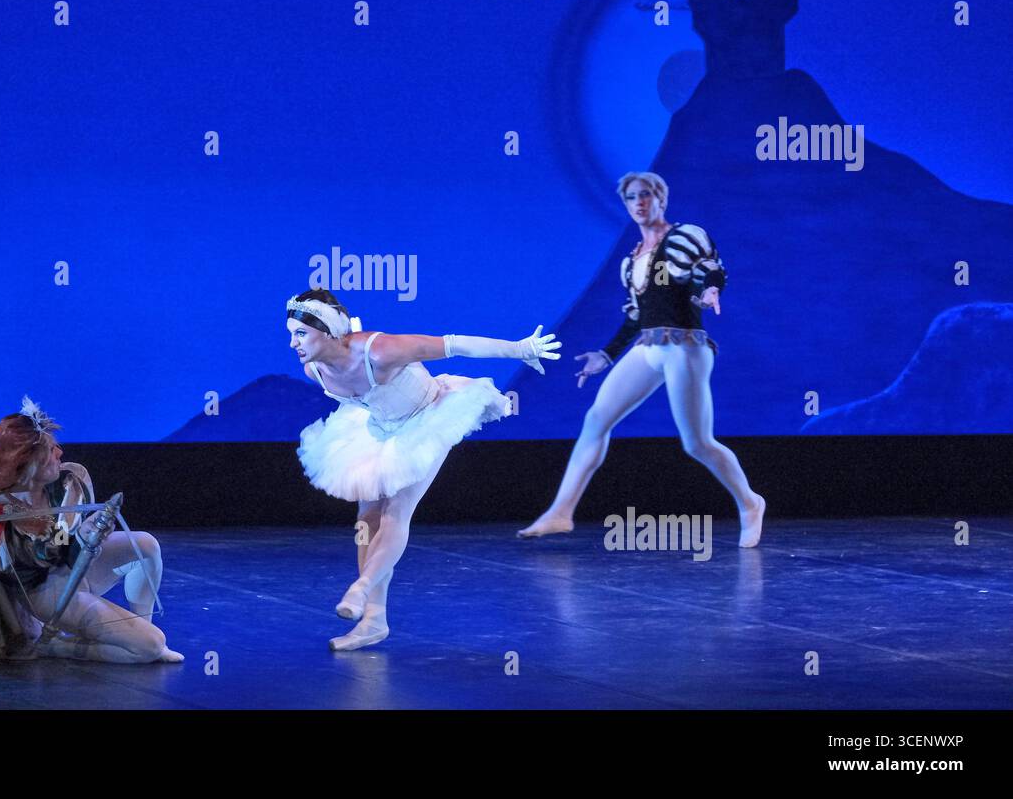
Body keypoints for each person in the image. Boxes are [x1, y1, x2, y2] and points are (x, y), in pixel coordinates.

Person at [288, 289, 560, 650]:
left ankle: (362, 588)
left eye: (300, 333)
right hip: (379, 430)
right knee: (366, 519)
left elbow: (453, 344)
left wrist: (519, 349)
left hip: (427, 419)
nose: (293, 343)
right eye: (291, 333)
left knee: (396, 512)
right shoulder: (314, 369)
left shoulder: (380, 350)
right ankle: (374, 620)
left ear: (330, 329)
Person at [517, 172, 765, 546]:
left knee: (697, 443)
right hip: (648, 348)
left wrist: (711, 290)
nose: (639, 203)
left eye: (646, 195)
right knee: (596, 419)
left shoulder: (684, 237)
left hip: (685, 347)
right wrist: (606, 354)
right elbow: (636, 317)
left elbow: (708, 269)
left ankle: (749, 503)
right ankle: (560, 512)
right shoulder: (631, 261)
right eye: (632, 197)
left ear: (661, 198)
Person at [0, 396, 183, 667]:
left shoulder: (69, 482)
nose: (59, 453)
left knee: (146, 545)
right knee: (150, 647)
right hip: (47, 590)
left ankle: (138, 627)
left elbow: (71, 545)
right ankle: (58, 647)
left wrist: (90, 533)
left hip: (77, 568)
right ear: (28, 462)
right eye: (50, 449)